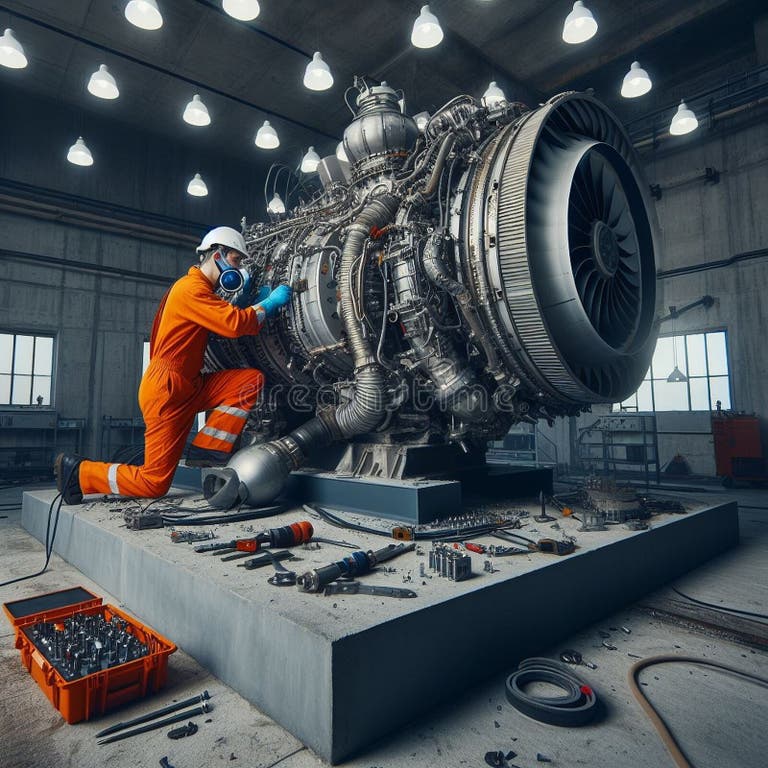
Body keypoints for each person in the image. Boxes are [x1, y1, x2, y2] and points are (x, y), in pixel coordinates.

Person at [54, 226, 292, 504]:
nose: (238, 270)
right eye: (236, 261)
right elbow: (235, 324)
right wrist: (270, 303)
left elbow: (220, 320)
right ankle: (80, 472)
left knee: (249, 381)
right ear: (218, 256)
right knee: (154, 482)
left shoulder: (202, 291)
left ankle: (207, 451)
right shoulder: (190, 289)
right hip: (166, 391)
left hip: (189, 385)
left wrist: (251, 303)